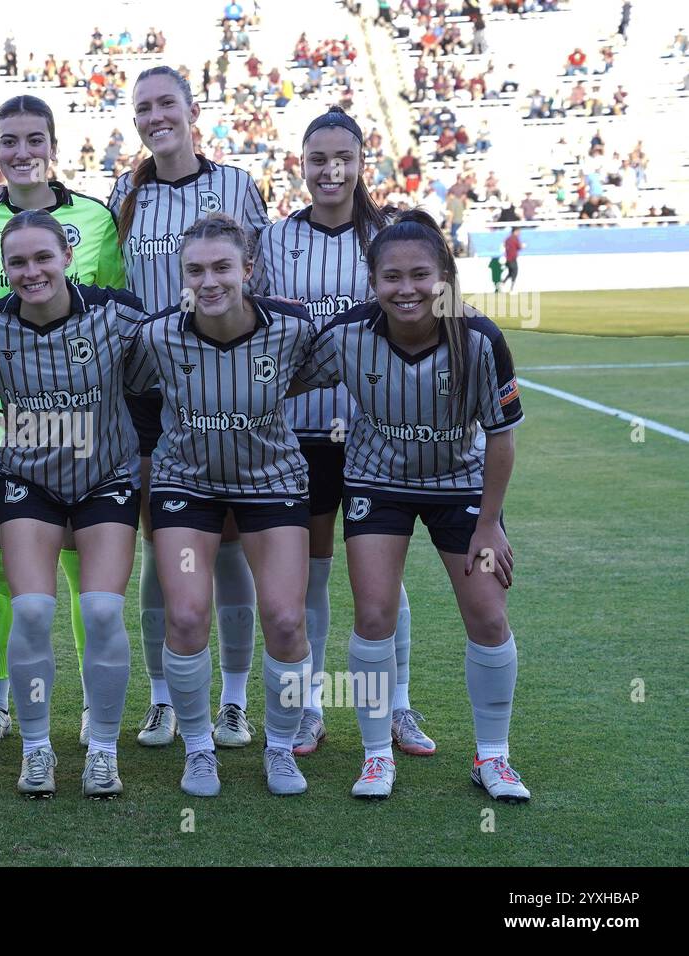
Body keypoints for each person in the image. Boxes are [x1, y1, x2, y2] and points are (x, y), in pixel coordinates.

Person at [292, 210, 530, 802]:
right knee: (373, 615)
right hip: (377, 483)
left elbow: (500, 437)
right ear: (372, 281)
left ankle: (493, 758)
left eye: (420, 275)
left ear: (444, 276)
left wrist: (490, 524)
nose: (406, 289)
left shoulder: (480, 338)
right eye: (391, 277)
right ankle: (376, 757)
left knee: (489, 617)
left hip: (461, 489)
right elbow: (280, 377)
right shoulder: (347, 334)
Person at [0, 210, 155, 798]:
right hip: (28, 478)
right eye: (17, 262)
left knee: (99, 611)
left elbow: (159, 367)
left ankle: (102, 749)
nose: (31, 271)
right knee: (34, 611)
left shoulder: (116, 313)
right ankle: (37, 748)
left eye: (42, 257)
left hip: (106, 475)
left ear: (67, 255)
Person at [258, 106, 434, 759]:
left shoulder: (392, 233)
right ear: (301, 165)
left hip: (375, 432)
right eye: (317, 159)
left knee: (382, 581)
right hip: (297, 434)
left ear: (363, 163)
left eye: (343, 158)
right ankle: (308, 709)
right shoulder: (274, 241)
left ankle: (396, 705)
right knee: (309, 574)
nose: (330, 170)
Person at [109, 65, 270, 749]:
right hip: (147, 390)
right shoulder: (125, 190)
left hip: (222, 386)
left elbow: (265, 281)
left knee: (228, 544)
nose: (156, 116)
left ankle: (233, 699)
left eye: (166, 103)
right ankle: (163, 697)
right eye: (143, 107)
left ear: (192, 109)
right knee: (161, 546)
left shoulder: (236, 185)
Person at [0, 95, 126, 751]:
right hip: (1, 421)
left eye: (34, 138)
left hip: (86, 426)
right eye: (8, 140)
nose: (21, 150)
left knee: (90, 572)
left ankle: (93, 705)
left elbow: (114, 310)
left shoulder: (95, 218)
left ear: (53, 144)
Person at [138, 214, 316, 797]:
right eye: (195, 270)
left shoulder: (292, 329)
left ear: (249, 270)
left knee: (287, 620)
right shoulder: (157, 335)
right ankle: (198, 749)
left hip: (272, 485)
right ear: (180, 276)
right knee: (187, 615)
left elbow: (361, 347)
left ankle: (282, 748)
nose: (209, 281)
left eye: (221, 267)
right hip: (185, 487)